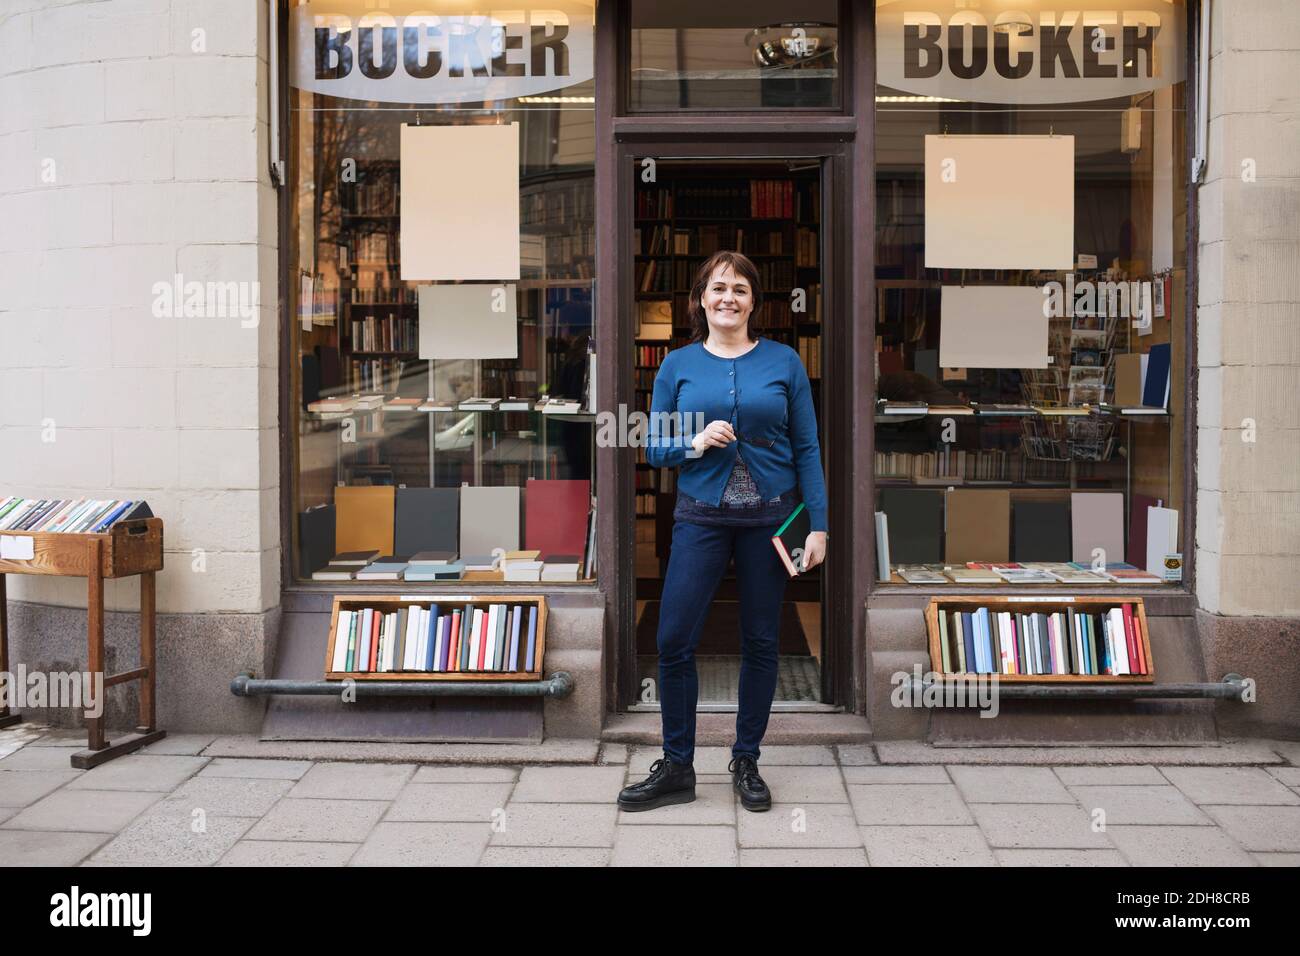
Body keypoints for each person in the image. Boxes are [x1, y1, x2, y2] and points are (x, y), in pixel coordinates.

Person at [617, 250, 828, 813]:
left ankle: (747, 759)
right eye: (718, 288)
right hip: (700, 517)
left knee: (762, 641)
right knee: (672, 638)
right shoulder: (676, 366)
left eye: (739, 288)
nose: (728, 297)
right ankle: (678, 765)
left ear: (754, 301)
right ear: (701, 300)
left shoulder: (783, 363)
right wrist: (695, 440)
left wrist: (820, 526)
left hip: (771, 523)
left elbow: (807, 447)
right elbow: (654, 448)